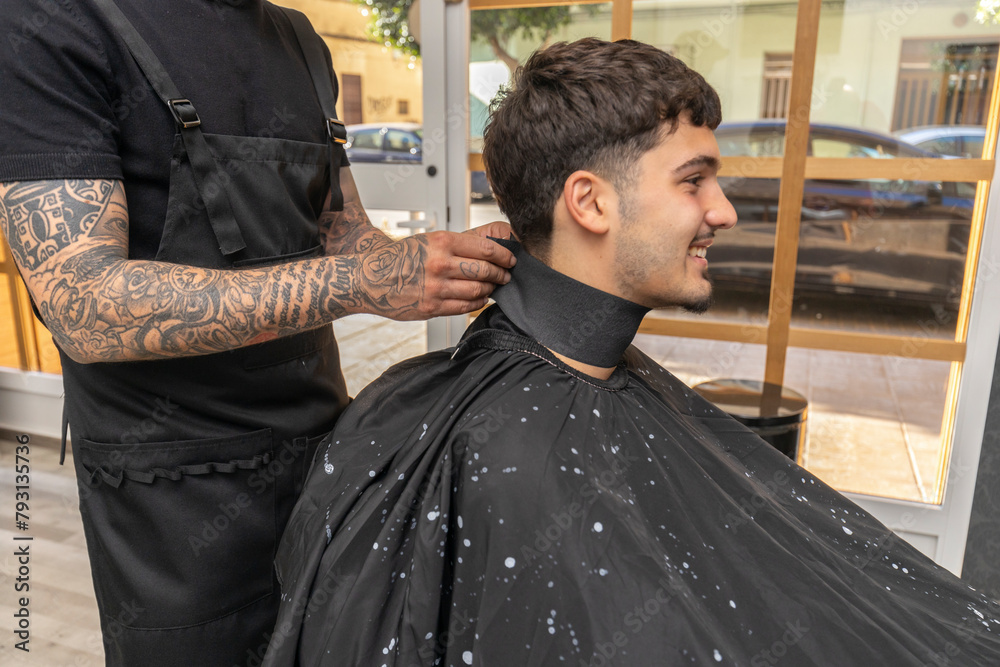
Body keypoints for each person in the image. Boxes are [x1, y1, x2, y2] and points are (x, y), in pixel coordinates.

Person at [262, 37, 1000, 666]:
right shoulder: (510, 454)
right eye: (694, 180)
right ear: (589, 203)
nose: (724, 211)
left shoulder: (595, 385)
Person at [0, 1, 514, 665]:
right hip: (172, 488)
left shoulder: (299, 40)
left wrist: (426, 262)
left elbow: (337, 227)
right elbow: (85, 306)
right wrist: (361, 285)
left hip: (324, 449)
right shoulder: (54, 22)